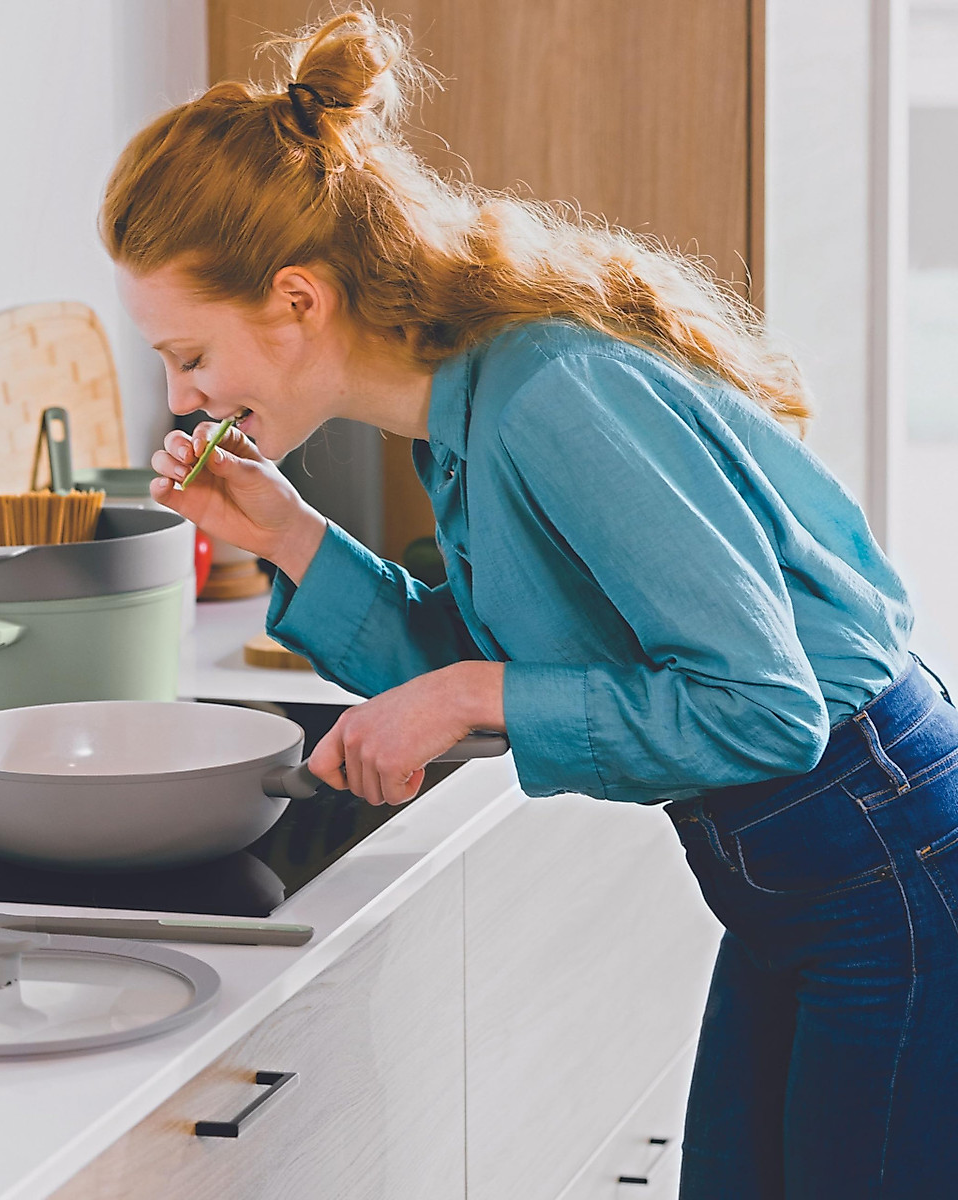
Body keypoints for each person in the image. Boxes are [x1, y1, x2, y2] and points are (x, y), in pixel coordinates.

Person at [99, 9, 958, 1197]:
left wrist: (463, 694)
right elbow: (488, 656)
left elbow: (766, 710)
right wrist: (292, 537)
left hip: (884, 863)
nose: (184, 398)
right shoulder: (464, 414)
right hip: (803, 882)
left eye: (190, 356)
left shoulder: (548, 397)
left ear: (297, 299)